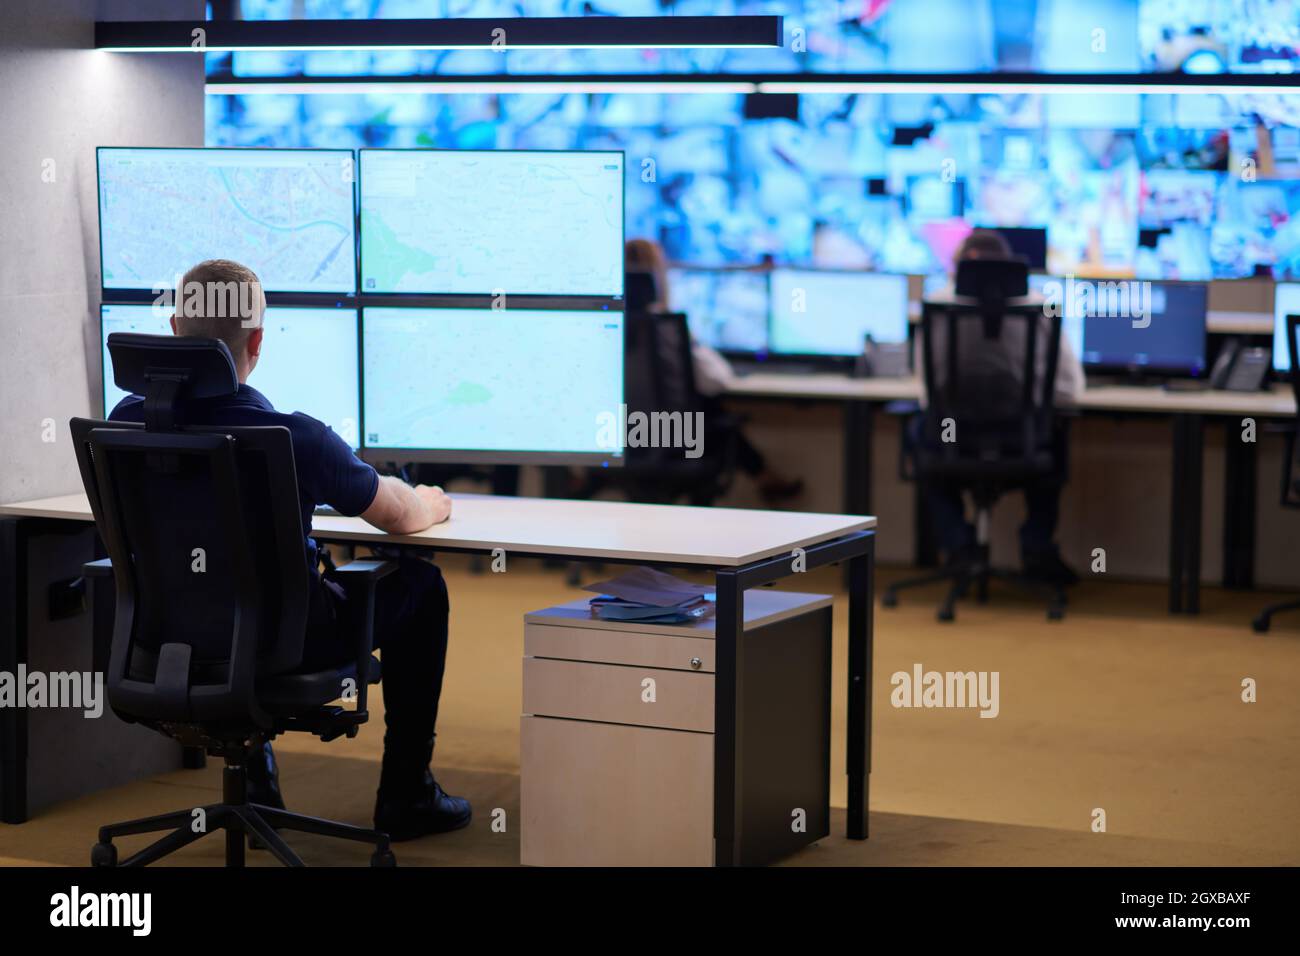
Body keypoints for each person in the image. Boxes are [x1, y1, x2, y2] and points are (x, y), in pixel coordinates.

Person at [109, 259, 471, 842]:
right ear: (257, 341)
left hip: (162, 644)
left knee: (227, 593)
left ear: (175, 328)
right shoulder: (294, 435)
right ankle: (406, 795)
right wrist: (432, 497)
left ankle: (255, 789)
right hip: (289, 646)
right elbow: (401, 518)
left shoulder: (123, 427)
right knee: (420, 586)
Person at [913, 230, 1084, 586]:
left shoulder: (938, 308)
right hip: (1022, 445)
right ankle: (1037, 547)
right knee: (1058, 429)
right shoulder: (1041, 308)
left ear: (956, 270)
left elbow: (926, 396)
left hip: (952, 445)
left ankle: (959, 547)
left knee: (918, 432)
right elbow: (1069, 392)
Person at [624, 238, 803, 504]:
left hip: (619, 440)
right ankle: (766, 478)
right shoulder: (665, 327)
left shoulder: (602, 327)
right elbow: (716, 381)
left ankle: (766, 478)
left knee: (709, 414)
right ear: (659, 276)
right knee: (714, 413)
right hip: (671, 438)